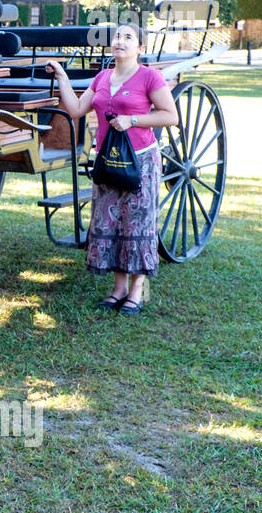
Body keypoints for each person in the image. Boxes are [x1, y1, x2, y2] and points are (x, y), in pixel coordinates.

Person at [45, 22, 179, 314]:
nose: (120, 41)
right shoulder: (102, 77)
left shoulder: (149, 78)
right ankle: (118, 289)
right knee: (112, 222)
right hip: (107, 161)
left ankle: (136, 290)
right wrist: (62, 78)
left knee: (137, 223)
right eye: (117, 36)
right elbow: (77, 109)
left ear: (139, 48)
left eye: (128, 37)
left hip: (140, 161)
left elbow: (171, 116)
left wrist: (134, 120)